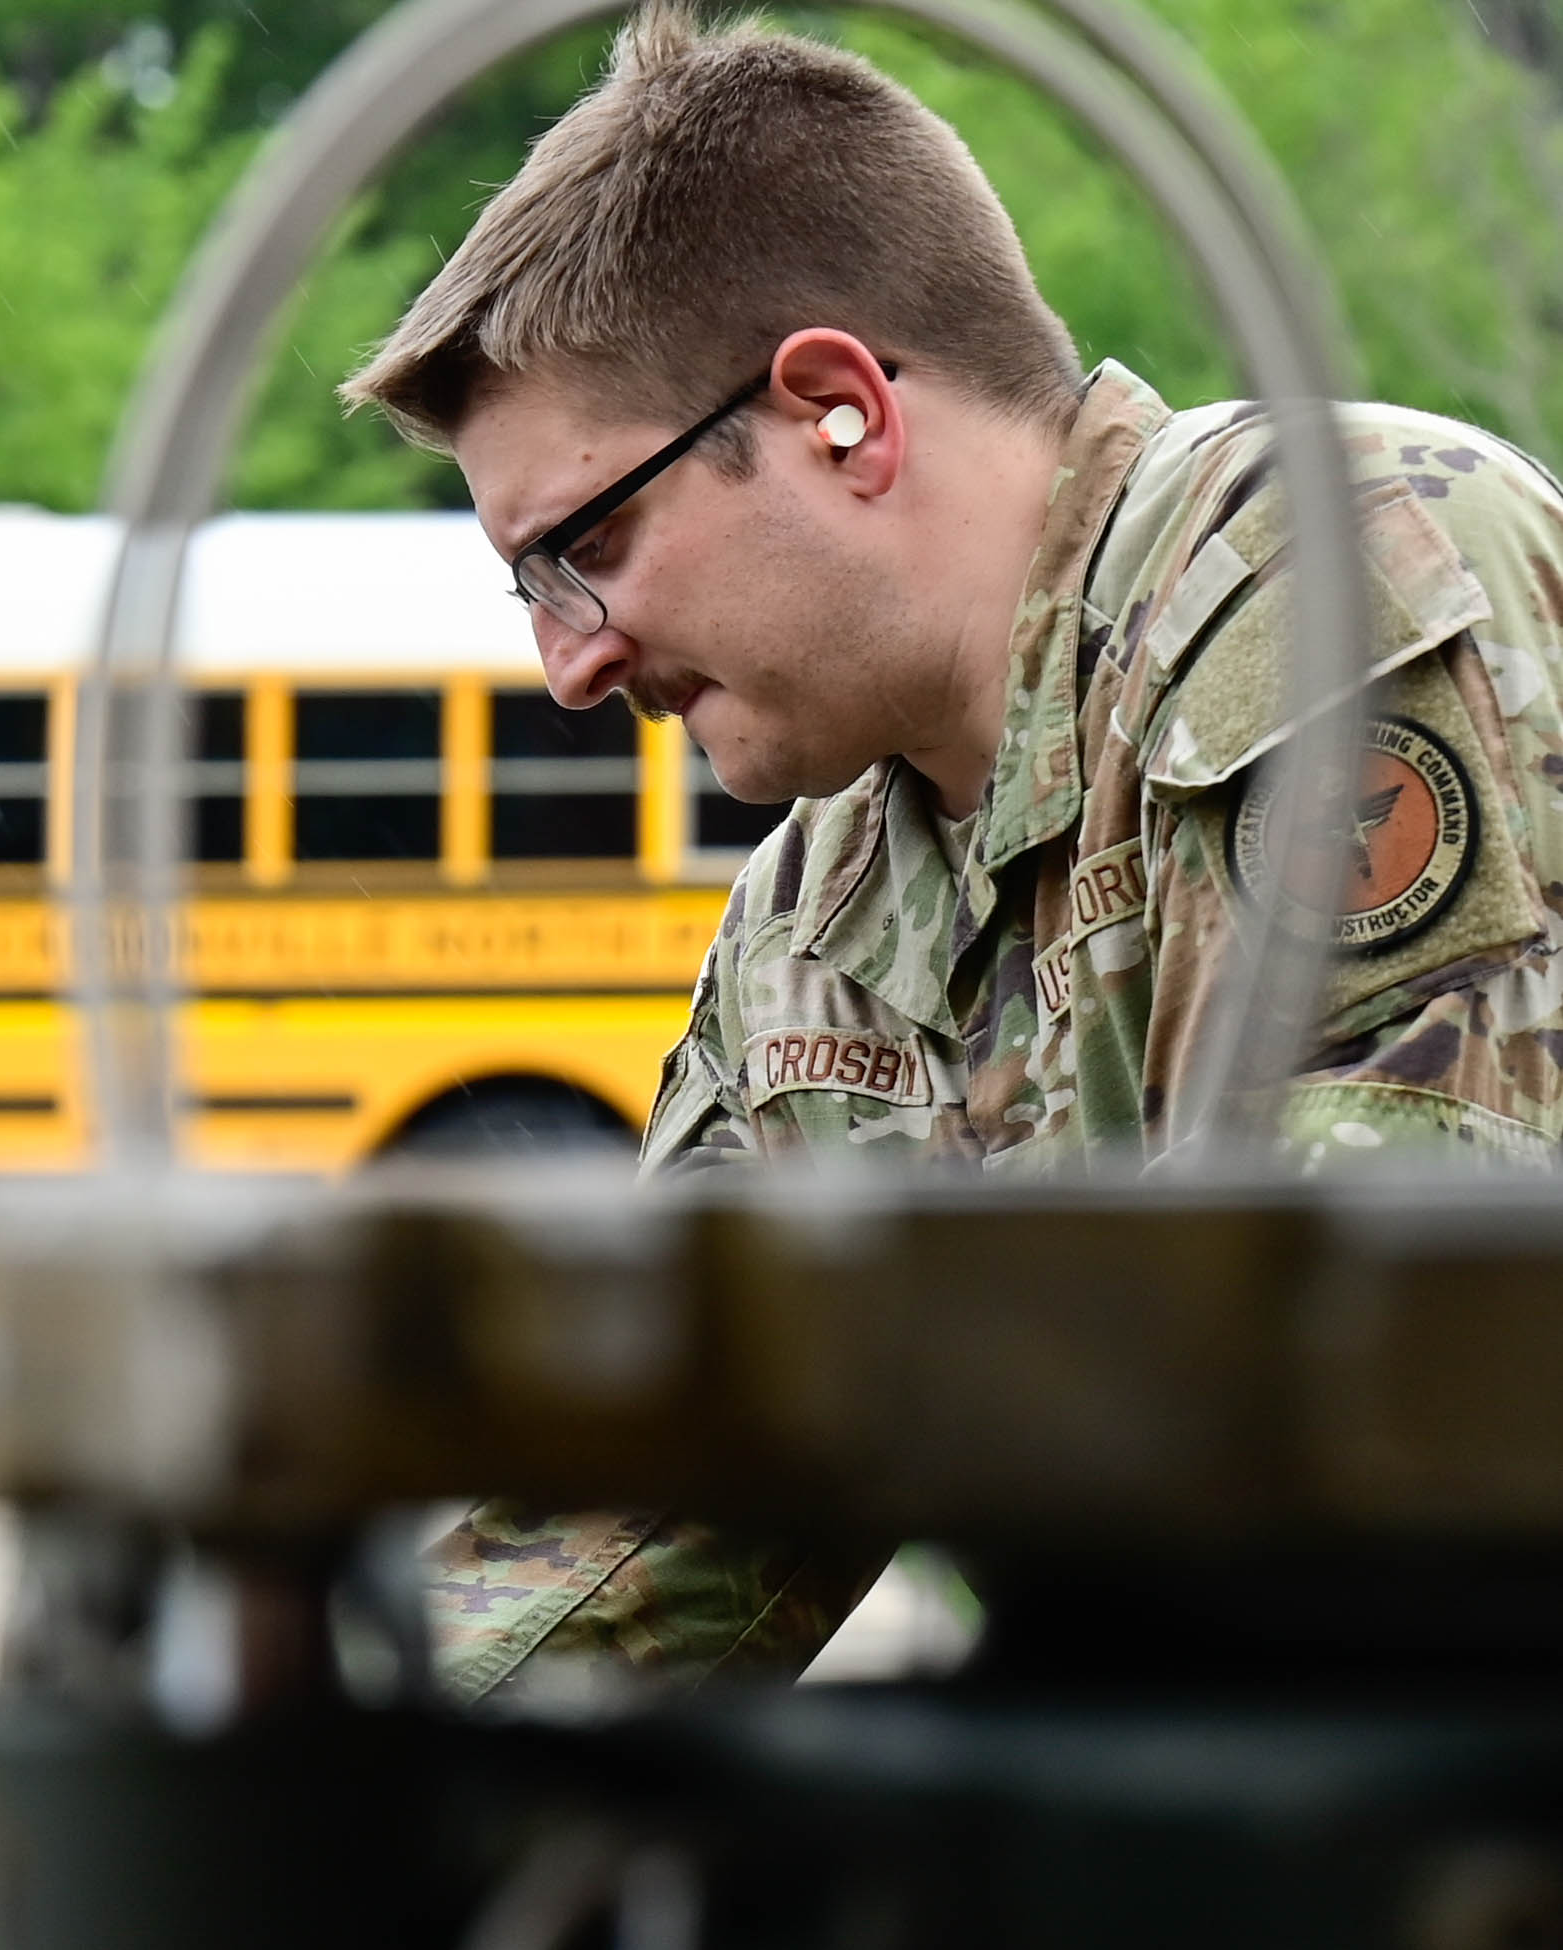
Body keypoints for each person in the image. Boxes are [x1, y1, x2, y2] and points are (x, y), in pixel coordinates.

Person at [343, 5, 1563, 1700]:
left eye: (584, 546)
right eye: (531, 589)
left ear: (841, 411)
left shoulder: (1331, 571)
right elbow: (637, 1518)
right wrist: (320, 1828)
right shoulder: (817, 916)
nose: (571, 662)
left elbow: (1373, 1393)